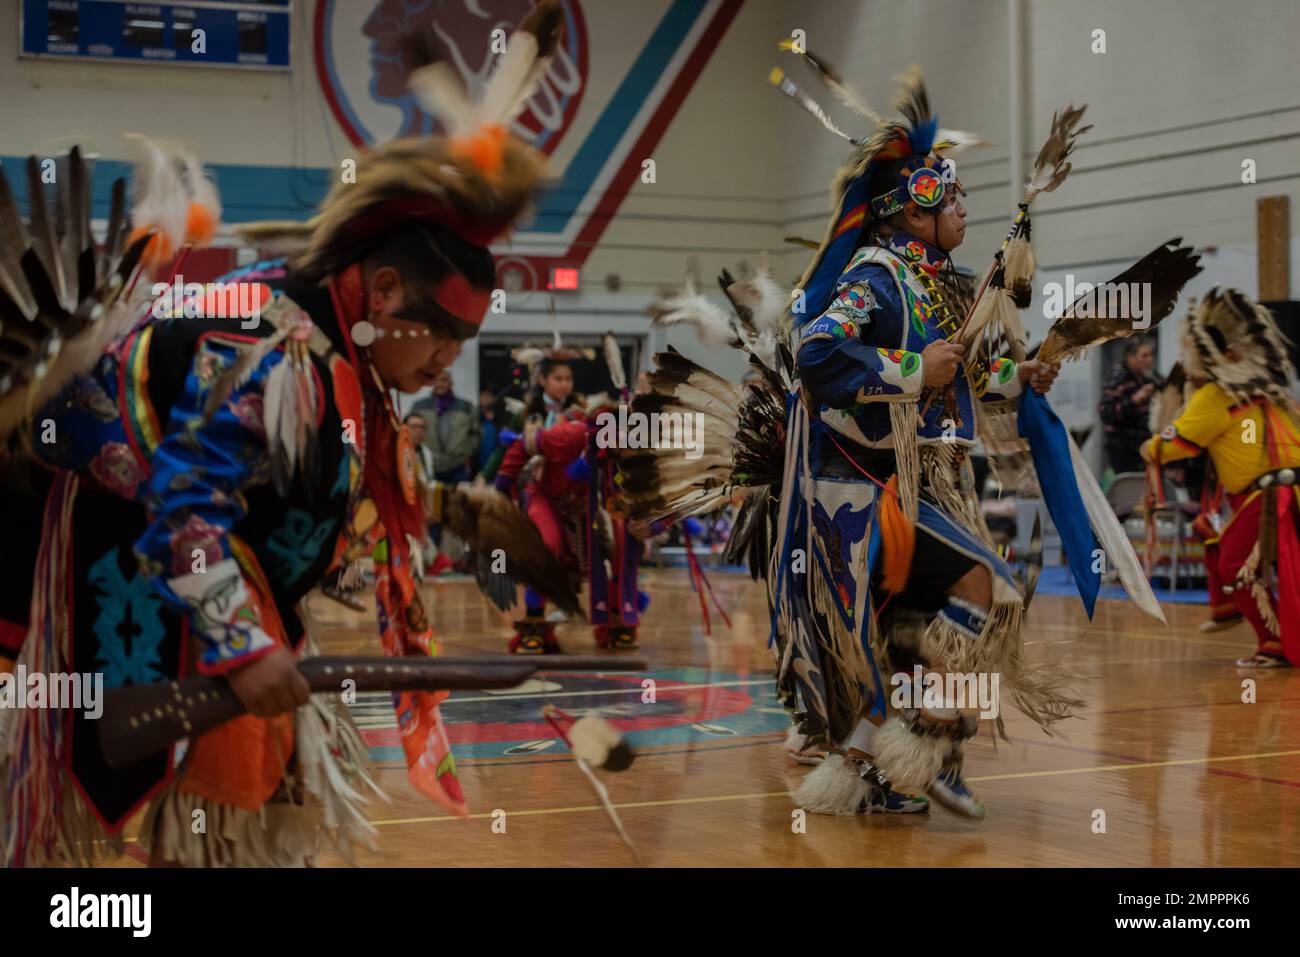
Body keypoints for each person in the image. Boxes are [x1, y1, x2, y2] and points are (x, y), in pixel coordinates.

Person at [0, 5, 564, 866]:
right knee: (201, 818)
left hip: (223, 571)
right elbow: (183, 504)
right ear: (380, 293)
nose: (448, 363)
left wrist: (445, 504)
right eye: (443, 339)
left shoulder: (344, 351)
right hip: (128, 549)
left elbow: (310, 494)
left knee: (240, 815)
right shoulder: (272, 346)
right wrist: (241, 640)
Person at [1142, 288, 1300, 668]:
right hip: (1289, 490)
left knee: (1235, 566)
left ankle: (1275, 642)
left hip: (1269, 497)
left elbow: (1176, 442)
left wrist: (1152, 446)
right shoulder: (1263, 389)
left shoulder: (1215, 395)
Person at [1100, 337, 1158, 474]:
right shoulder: (1118, 378)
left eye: (1151, 355)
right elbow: (1106, 413)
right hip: (1124, 450)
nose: (1149, 360)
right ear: (1130, 357)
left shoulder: (1150, 378)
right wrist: (1134, 400)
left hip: (1145, 447)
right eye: (1144, 356)